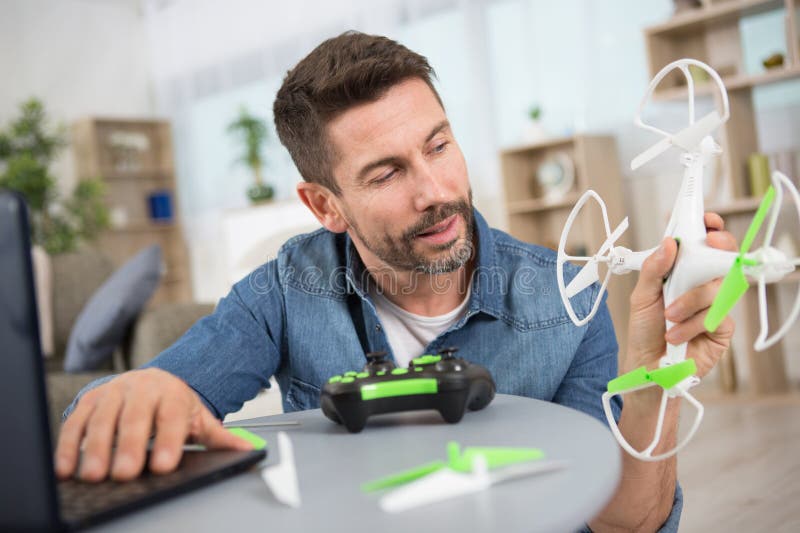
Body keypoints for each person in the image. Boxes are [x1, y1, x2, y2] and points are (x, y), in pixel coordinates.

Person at [55, 32, 736, 531]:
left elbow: (627, 521)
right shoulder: (286, 289)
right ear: (324, 205)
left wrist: (659, 373)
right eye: (385, 174)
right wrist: (138, 395)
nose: (436, 191)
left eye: (439, 145)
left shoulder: (568, 296)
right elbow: (111, 417)